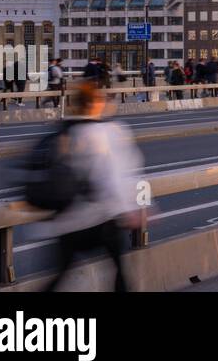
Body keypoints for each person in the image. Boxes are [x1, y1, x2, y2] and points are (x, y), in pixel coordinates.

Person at [35, 80, 145, 291]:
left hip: (67, 220)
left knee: (59, 274)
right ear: (96, 103)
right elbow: (114, 176)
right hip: (101, 218)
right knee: (119, 270)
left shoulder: (65, 132)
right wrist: (135, 207)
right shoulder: (108, 131)